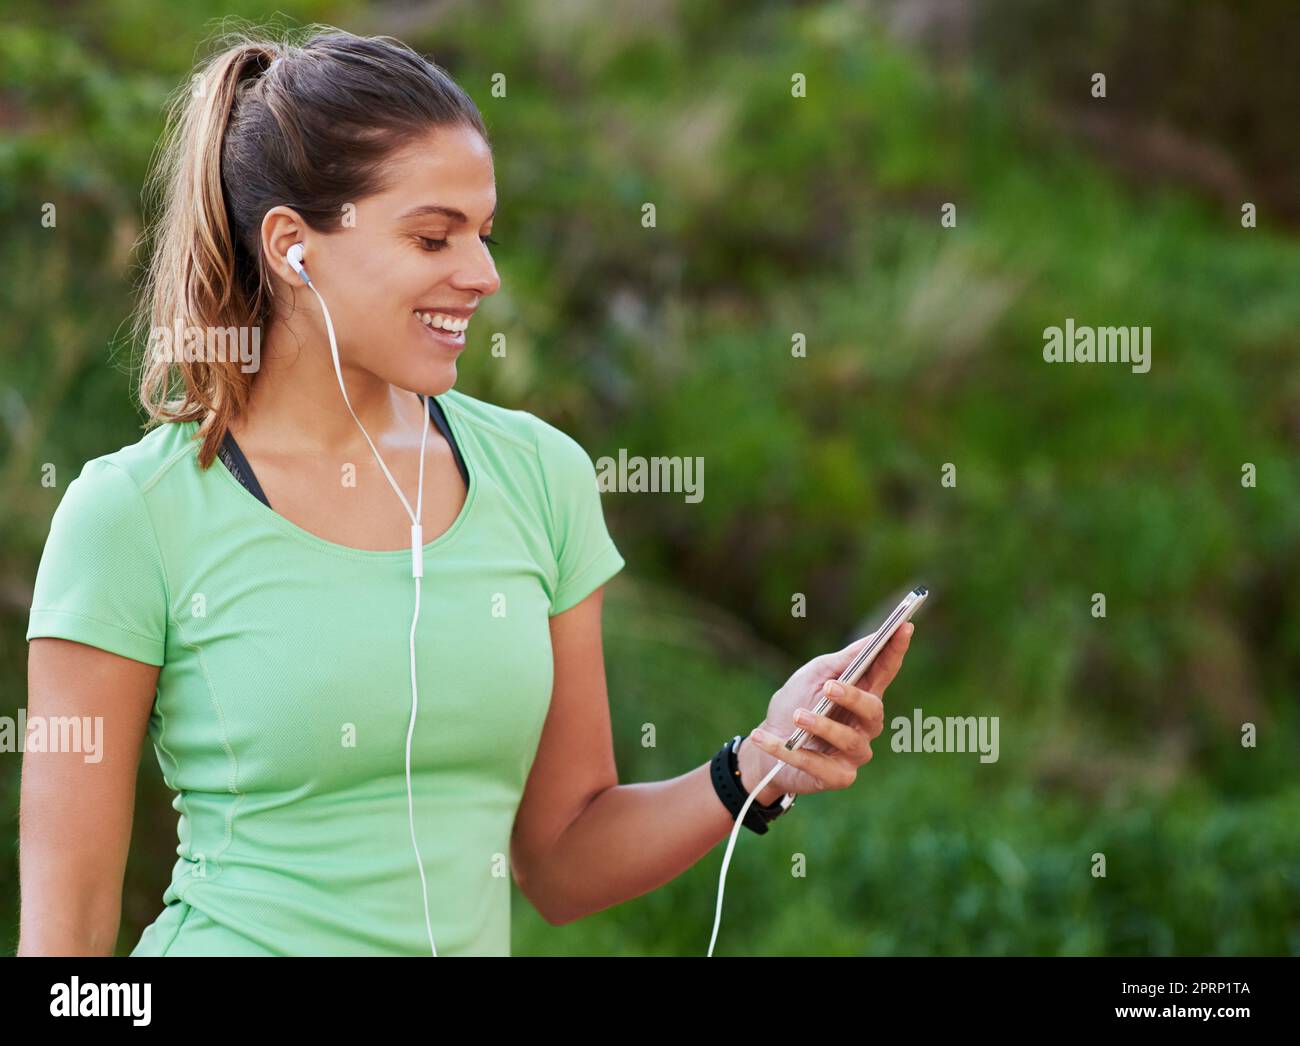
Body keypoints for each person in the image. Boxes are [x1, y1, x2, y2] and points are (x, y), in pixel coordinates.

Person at [18, 27, 915, 956]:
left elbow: (564, 859)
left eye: (484, 235)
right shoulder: (132, 515)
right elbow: (66, 941)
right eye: (432, 236)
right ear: (293, 247)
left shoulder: (541, 478)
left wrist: (756, 765)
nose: (482, 275)